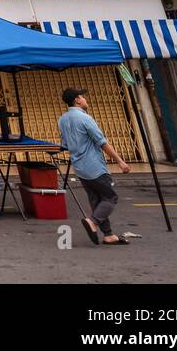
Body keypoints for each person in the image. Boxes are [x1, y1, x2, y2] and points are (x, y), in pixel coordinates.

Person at [58, 87, 131, 246]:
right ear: (77, 100)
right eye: (83, 97)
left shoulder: (62, 119)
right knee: (111, 197)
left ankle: (108, 235)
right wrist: (120, 161)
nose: (85, 99)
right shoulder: (85, 119)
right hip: (95, 167)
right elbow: (102, 142)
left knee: (96, 200)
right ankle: (93, 221)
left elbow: (64, 144)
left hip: (80, 168)